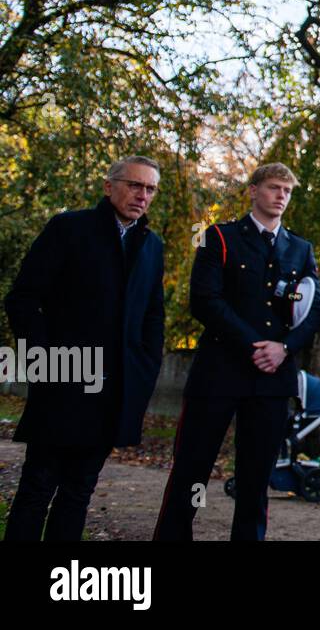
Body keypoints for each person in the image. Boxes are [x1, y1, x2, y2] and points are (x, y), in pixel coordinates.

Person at [154, 163, 320, 541]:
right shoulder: (220, 237)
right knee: (191, 471)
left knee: (256, 477)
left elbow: (315, 309)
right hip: (219, 373)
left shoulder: (300, 248)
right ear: (253, 191)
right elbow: (205, 300)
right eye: (274, 188)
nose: (281, 196)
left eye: (287, 190)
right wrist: (254, 346)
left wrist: (284, 348)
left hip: (272, 379)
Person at [3, 156, 166, 541]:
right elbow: (23, 299)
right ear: (109, 187)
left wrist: (145, 367)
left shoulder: (151, 245)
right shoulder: (69, 229)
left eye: (150, 189)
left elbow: (152, 316)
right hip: (63, 380)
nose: (142, 196)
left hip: (115, 391)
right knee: (36, 489)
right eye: (134, 185)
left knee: (78, 494)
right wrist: (43, 360)